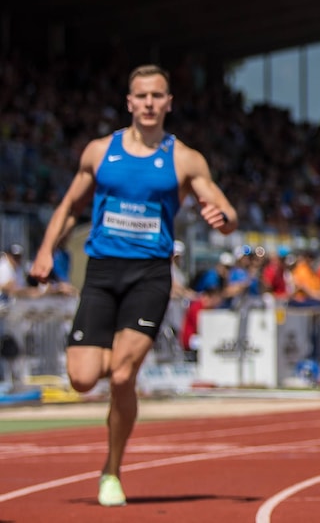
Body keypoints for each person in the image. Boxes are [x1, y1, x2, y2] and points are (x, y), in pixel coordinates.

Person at [28, 64, 238, 507]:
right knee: (82, 379)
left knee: (123, 376)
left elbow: (226, 213)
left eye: (157, 96)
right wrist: (45, 251)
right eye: (141, 96)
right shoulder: (99, 151)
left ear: (168, 103)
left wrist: (221, 219)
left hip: (150, 275)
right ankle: (112, 355)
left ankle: (111, 470)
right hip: (102, 271)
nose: (148, 103)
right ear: (129, 102)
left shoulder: (185, 159)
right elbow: (69, 205)